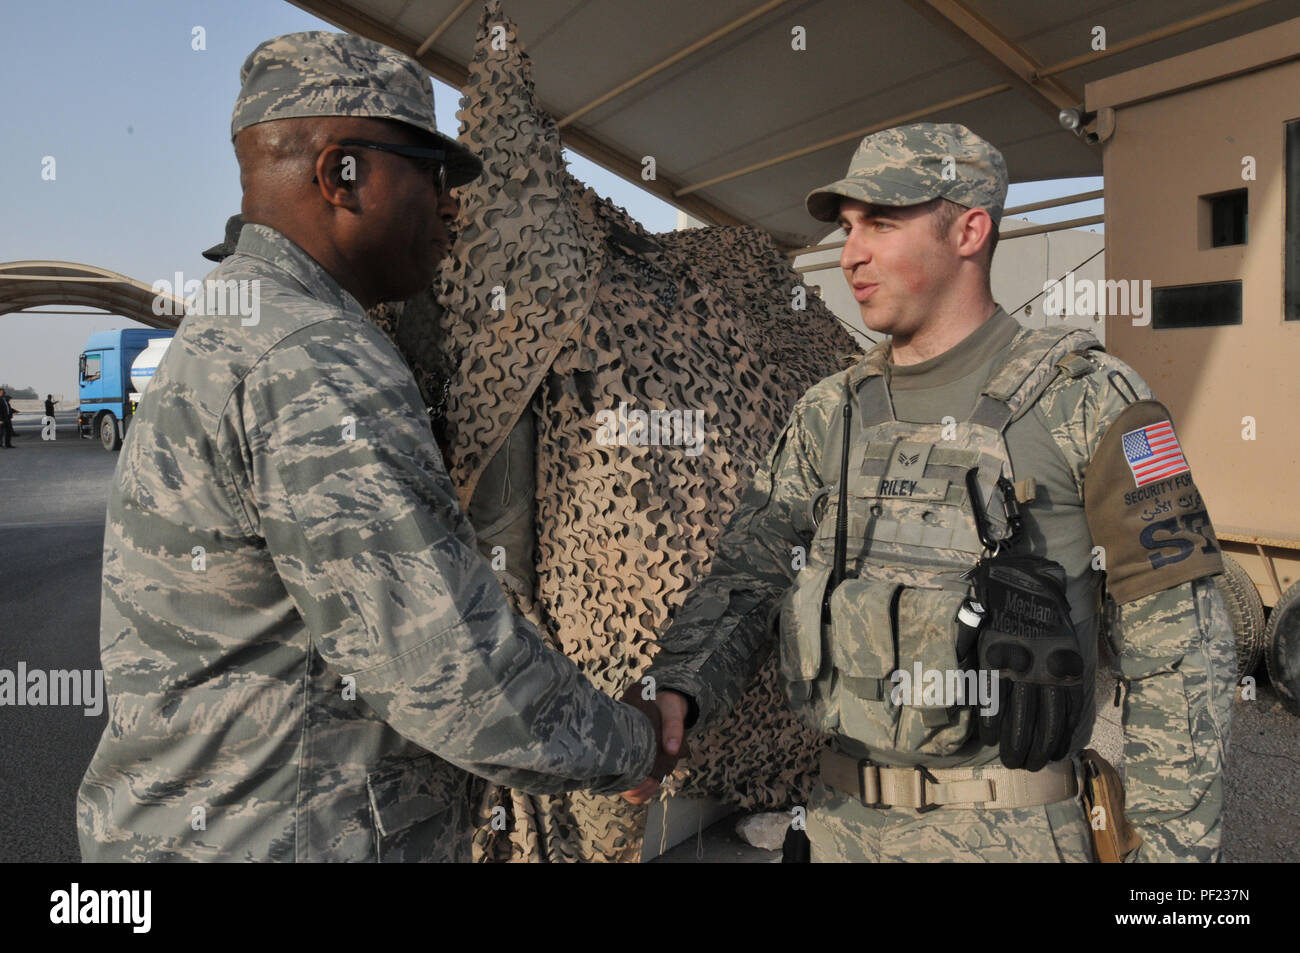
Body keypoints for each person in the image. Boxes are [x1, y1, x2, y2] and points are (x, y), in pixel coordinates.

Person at [78, 31, 672, 863]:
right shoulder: (314, 358)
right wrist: (633, 745)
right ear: (340, 175)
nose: (451, 205)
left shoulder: (239, 319)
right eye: (431, 176)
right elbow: (451, 671)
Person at [632, 123, 1234, 862]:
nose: (850, 253)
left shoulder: (1088, 400)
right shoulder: (831, 412)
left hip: (1012, 836)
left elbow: (1183, 651)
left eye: (881, 223)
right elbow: (750, 576)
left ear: (970, 230)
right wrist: (680, 693)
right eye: (849, 228)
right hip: (839, 826)